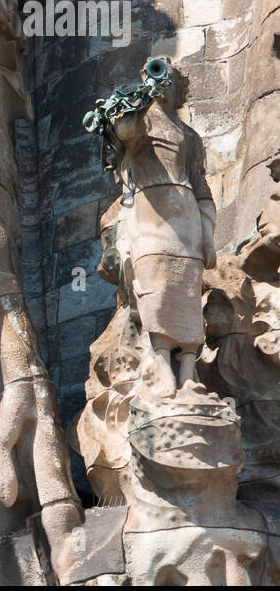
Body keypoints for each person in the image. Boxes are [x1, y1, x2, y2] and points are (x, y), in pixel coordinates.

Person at [111, 60, 216, 398]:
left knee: (187, 287)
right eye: (151, 77)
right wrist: (137, 100)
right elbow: (125, 133)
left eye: (166, 79)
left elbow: (201, 188)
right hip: (150, 214)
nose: (159, 83)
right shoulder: (142, 124)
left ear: (178, 88)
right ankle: (160, 365)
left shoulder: (190, 136)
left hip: (186, 218)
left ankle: (187, 369)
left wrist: (209, 235)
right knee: (154, 284)